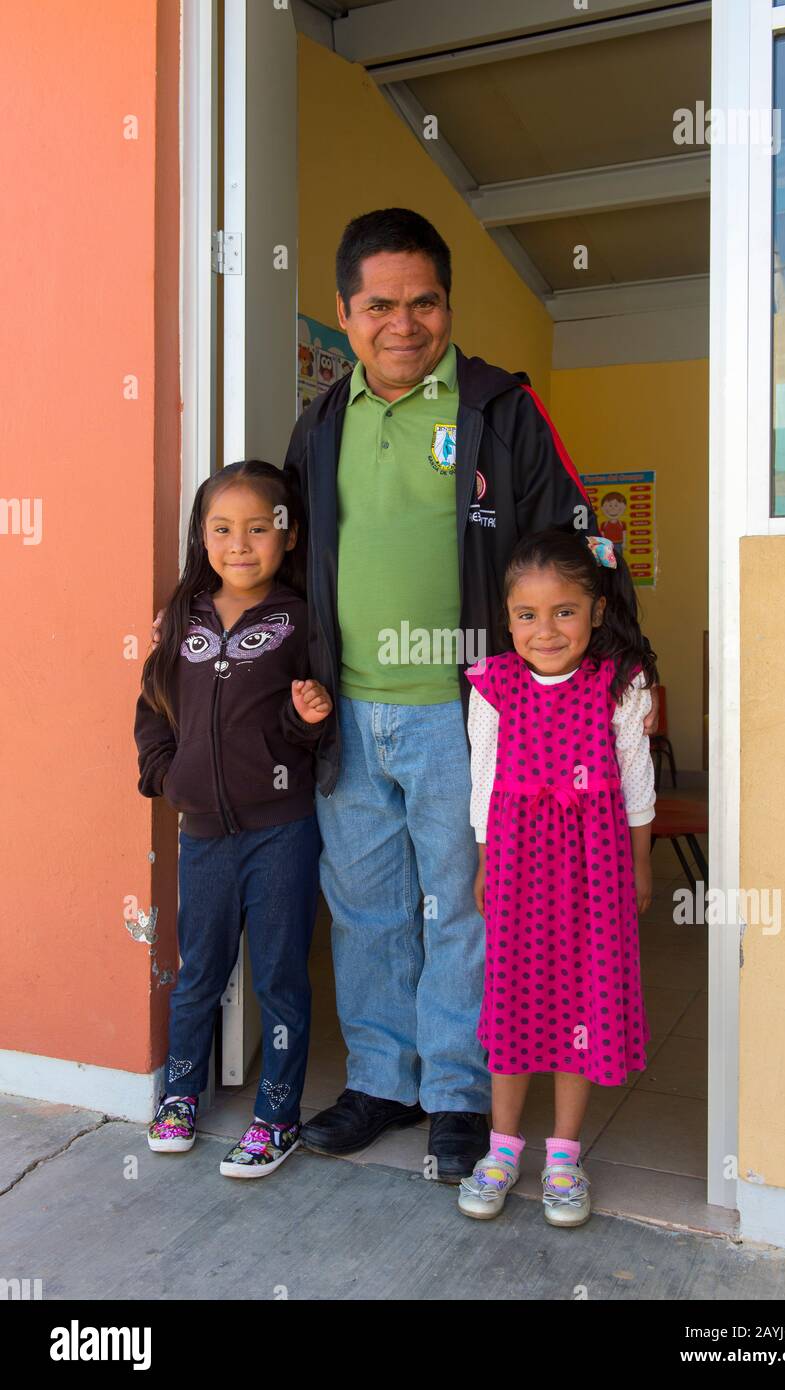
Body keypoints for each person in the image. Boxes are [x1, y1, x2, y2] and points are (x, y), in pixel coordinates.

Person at [284, 207, 659, 1181]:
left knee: (459, 906)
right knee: (365, 907)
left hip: (471, 712)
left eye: (422, 303)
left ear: (446, 304)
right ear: (344, 310)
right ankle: (380, 1079)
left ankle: (453, 1090)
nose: (401, 324)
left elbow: (584, 545)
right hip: (348, 713)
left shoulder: (500, 409)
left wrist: (631, 670)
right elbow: (286, 565)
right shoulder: (321, 423)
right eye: (378, 306)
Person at [134, 461, 332, 1178]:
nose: (240, 544)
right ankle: (180, 1094)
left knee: (280, 975)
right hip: (203, 835)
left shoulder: (299, 619)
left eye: (258, 528)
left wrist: (304, 719)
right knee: (199, 972)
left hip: (281, 829)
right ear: (201, 536)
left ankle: (276, 1116)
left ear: (288, 535)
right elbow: (153, 705)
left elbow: (297, 724)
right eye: (222, 529)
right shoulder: (181, 617)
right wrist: (165, 774)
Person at [457, 527, 657, 1226]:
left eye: (564, 612)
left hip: (596, 866)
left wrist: (639, 861)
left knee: (583, 1001)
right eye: (526, 615)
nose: (545, 630)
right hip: (516, 862)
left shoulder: (618, 684)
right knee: (514, 998)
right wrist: (484, 862)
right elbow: (483, 782)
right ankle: (502, 1148)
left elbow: (636, 781)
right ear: (507, 617)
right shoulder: (494, 686)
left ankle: (563, 1156)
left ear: (596, 611)